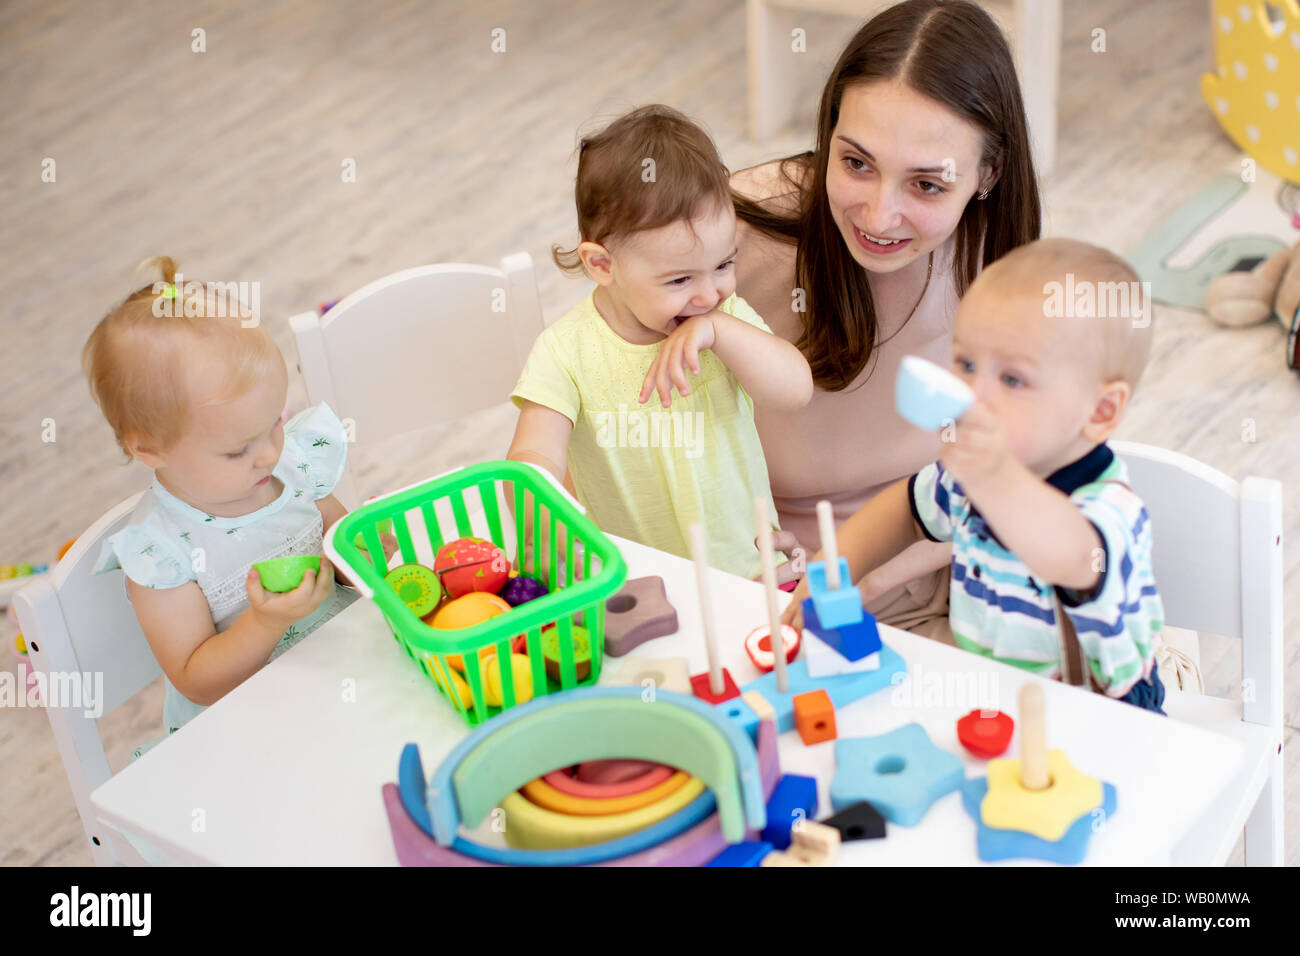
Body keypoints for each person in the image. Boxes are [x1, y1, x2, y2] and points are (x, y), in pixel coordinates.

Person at [731, 0, 1041, 637]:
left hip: (937, 570)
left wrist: (895, 567)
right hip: (763, 584)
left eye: (926, 185)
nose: (877, 217)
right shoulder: (732, 238)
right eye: (856, 163)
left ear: (988, 174)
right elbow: (594, 389)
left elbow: (1023, 456)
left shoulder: (1001, 258)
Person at [785, 238, 1166, 711]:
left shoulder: (1108, 509)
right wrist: (828, 575)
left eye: (1011, 379)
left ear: (1101, 410)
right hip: (993, 687)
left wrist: (992, 477)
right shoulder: (968, 476)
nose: (972, 392)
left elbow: (1069, 557)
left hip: (1102, 714)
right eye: (966, 364)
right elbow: (905, 508)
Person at [84, 257, 378, 749]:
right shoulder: (161, 550)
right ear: (148, 449)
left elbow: (346, 553)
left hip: (346, 677)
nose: (269, 452)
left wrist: (370, 550)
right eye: (238, 449)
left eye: (276, 424)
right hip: (254, 729)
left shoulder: (293, 468)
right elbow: (197, 679)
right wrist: (267, 621)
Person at [508, 105, 812, 577]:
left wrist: (720, 332)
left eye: (724, 265)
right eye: (679, 280)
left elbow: (795, 389)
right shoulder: (564, 352)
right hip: (636, 584)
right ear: (602, 265)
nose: (710, 292)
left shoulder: (722, 319)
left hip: (753, 571)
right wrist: (541, 515)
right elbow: (533, 457)